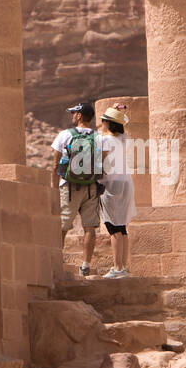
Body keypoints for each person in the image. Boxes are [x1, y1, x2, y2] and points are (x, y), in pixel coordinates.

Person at [52, 101, 101, 276]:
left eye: (74, 113)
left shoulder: (65, 135)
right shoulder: (98, 137)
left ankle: (57, 260)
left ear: (79, 116)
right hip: (91, 187)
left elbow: (55, 163)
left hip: (69, 186)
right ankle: (86, 264)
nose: (72, 116)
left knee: (63, 225)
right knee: (90, 227)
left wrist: (54, 186)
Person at [95, 104, 137, 278]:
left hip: (111, 184)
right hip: (126, 183)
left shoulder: (104, 140)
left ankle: (117, 267)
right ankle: (123, 267)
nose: (101, 123)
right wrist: (117, 111)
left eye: (103, 121)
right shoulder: (124, 138)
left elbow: (102, 163)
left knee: (113, 228)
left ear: (108, 123)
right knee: (122, 227)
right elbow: (123, 122)